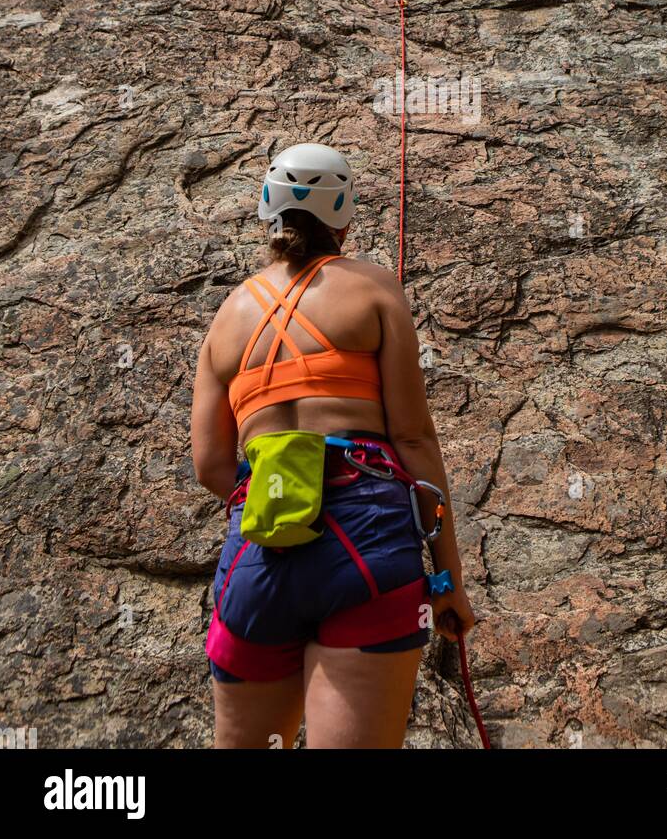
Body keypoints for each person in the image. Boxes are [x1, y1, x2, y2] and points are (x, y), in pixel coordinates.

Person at [191, 141, 475, 749]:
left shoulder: (228, 317)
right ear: (343, 216)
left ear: (269, 207)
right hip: (366, 543)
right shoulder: (373, 290)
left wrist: (283, 491)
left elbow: (212, 465)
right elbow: (415, 440)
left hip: (261, 549)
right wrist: (448, 579)